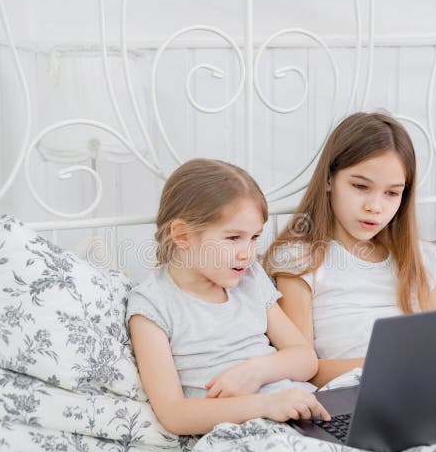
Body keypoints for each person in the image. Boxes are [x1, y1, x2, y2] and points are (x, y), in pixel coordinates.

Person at [128, 158, 330, 436]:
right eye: (234, 238)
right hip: (244, 431)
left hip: (302, 409)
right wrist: (267, 405)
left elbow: (306, 359)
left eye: (254, 237)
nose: (247, 253)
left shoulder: (251, 278)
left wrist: (253, 372)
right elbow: (175, 415)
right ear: (183, 235)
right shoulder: (153, 305)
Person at [264, 112, 436, 387]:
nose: (375, 206)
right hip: (357, 392)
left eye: (392, 193)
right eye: (361, 186)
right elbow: (302, 367)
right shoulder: (300, 260)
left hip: (427, 386)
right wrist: (391, 365)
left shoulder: (421, 258)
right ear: (329, 179)